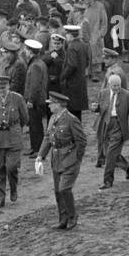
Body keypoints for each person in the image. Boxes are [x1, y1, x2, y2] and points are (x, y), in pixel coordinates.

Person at [35, 89, 87, 228]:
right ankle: (62, 219)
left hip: (69, 159)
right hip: (56, 158)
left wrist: (77, 157)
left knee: (64, 188)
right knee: (58, 190)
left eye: (51, 103)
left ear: (58, 104)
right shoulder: (53, 118)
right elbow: (47, 137)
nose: (49, 106)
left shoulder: (71, 119)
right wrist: (41, 154)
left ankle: (72, 216)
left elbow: (81, 141)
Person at [0, 71, 28, 207]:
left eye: (3, 88)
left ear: (8, 86)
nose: (1, 90)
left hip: (13, 137)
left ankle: (13, 187)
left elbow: (25, 118)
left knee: (11, 167)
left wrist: (15, 128)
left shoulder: (17, 98)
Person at [96, 72, 129, 188]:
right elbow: (100, 109)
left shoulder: (128, 95)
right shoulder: (103, 93)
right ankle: (126, 165)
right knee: (109, 152)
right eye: (114, 86)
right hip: (105, 125)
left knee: (110, 154)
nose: (117, 88)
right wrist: (96, 108)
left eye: (118, 85)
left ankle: (107, 181)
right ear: (109, 85)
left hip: (119, 126)